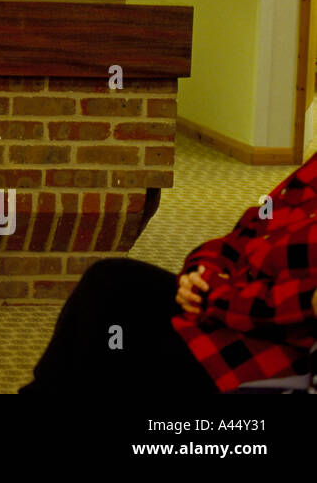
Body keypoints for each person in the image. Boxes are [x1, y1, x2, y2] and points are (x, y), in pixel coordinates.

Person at [20, 154, 317, 394]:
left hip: (260, 352)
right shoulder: (312, 171)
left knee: (115, 348)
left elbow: (296, 306)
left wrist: (213, 295)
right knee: (109, 281)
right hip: (218, 305)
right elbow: (251, 227)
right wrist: (202, 268)